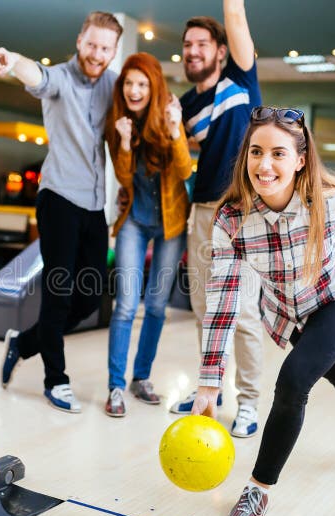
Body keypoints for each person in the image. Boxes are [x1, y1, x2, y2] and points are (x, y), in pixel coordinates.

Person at [191, 106, 335, 516]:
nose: (265, 165)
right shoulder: (232, 219)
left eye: (279, 154)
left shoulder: (333, 204)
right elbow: (222, 299)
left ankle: (258, 489)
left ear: (300, 160)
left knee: (294, 380)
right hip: (290, 316)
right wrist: (208, 381)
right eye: (256, 152)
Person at [0, 12, 122, 414]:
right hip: (59, 197)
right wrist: (12, 63)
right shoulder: (61, 78)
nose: (97, 53)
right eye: (92, 44)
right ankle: (55, 380)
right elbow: (36, 76)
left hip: (94, 205)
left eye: (106, 48)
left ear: (114, 51)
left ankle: (24, 343)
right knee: (59, 293)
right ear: (80, 41)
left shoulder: (114, 85)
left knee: (90, 298)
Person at [171, 0, 265, 438]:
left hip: (244, 213)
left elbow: (238, 20)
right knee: (204, 310)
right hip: (203, 213)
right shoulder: (189, 105)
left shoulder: (240, 80)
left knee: (244, 312)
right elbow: (176, 156)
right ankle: (212, 390)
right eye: (187, 45)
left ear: (221, 51)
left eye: (201, 44)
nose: (192, 50)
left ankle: (249, 403)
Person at [103, 53, 192, 417]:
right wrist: (123, 142)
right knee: (125, 305)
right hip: (134, 222)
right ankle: (115, 386)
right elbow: (124, 180)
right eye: (128, 84)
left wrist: (175, 131)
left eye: (141, 84)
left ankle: (141, 378)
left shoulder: (170, 114)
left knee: (156, 306)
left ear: (153, 86)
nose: (134, 90)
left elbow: (185, 169)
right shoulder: (118, 123)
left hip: (171, 224)